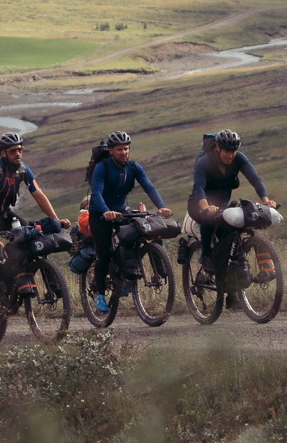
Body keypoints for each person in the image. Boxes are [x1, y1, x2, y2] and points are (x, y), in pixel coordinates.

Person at [84, 130, 170, 313]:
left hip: (121, 210)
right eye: (119, 149)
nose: (124, 152)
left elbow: (149, 186)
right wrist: (106, 211)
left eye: (126, 149)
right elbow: (97, 193)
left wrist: (161, 207)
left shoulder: (133, 167)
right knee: (105, 252)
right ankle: (99, 293)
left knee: (133, 237)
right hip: (100, 213)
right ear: (111, 150)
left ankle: (127, 276)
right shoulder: (102, 167)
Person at [0, 132, 61, 302]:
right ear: (3, 153)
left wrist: (56, 219)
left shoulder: (23, 169)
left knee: (29, 238)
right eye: (13, 151)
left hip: (5, 214)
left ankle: (15, 283)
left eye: (20, 150)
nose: (18, 153)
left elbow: (38, 194)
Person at [189, 129, 276, 286]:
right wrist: (206, 207)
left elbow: (255, 179)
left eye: (233, 151)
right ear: (217, 148)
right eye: (227, 151)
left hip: (223, 206)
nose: (230, 155)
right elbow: (198, 188)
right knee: (208, 220)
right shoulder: (205, 162)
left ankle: (238, 281)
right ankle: (206, 256)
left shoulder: (239, 159)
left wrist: (266, 200)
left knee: (246, 224)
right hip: (198, 204)